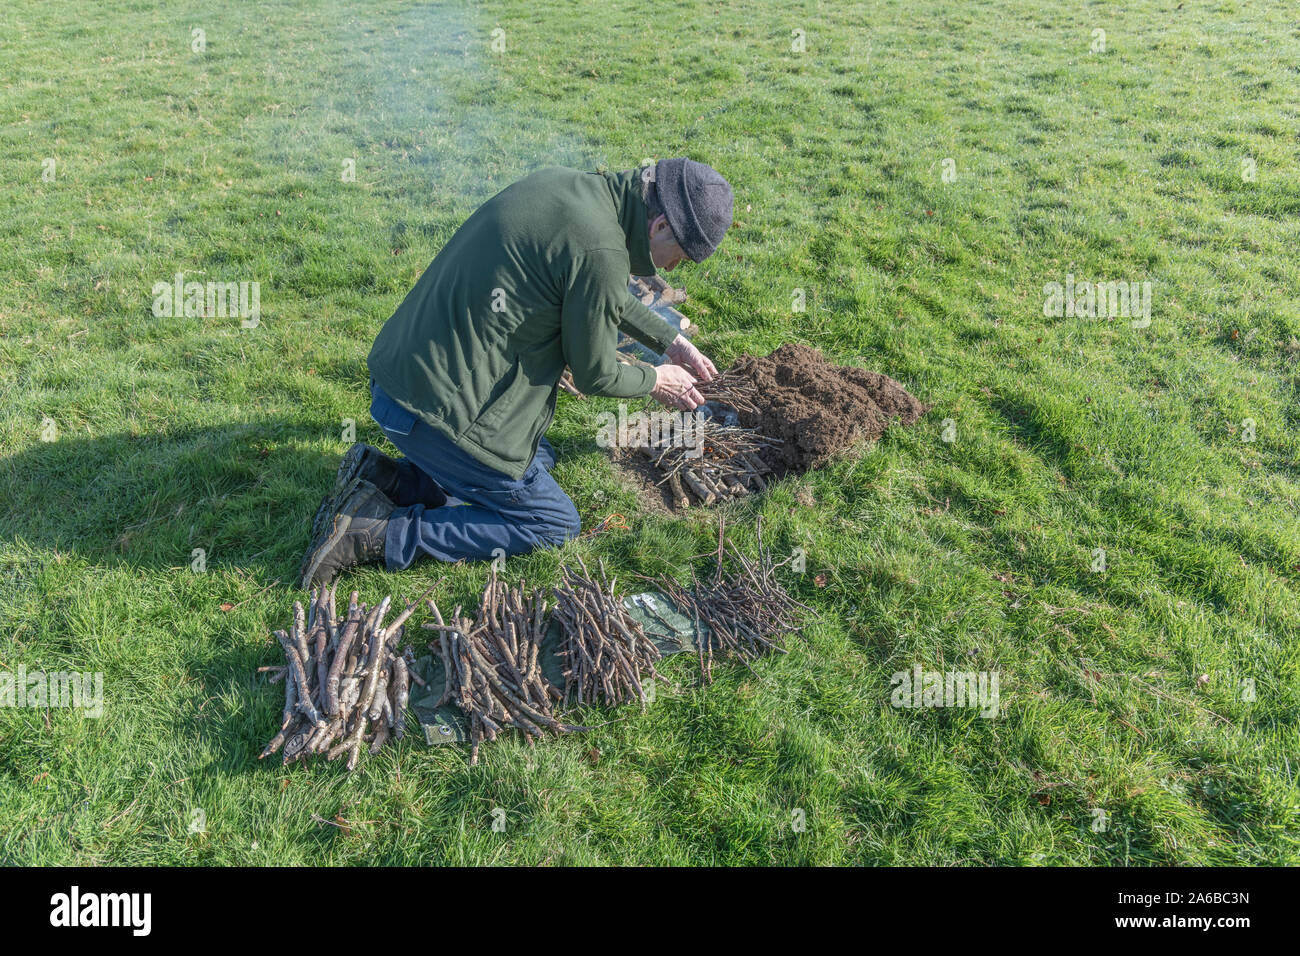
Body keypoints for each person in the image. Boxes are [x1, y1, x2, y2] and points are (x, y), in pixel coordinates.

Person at [299, 158, 733, 587]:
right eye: (678, 258)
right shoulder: (601, 252)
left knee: (538, 457)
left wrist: (671, 342)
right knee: (553, 524)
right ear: (659, 226)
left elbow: (597, 290)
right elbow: (595, 375)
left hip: (398, 380)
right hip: (429, 412)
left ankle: (386, 478)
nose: (670, 270)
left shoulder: (565, 186)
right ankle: (375, 534)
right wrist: (657, 380)